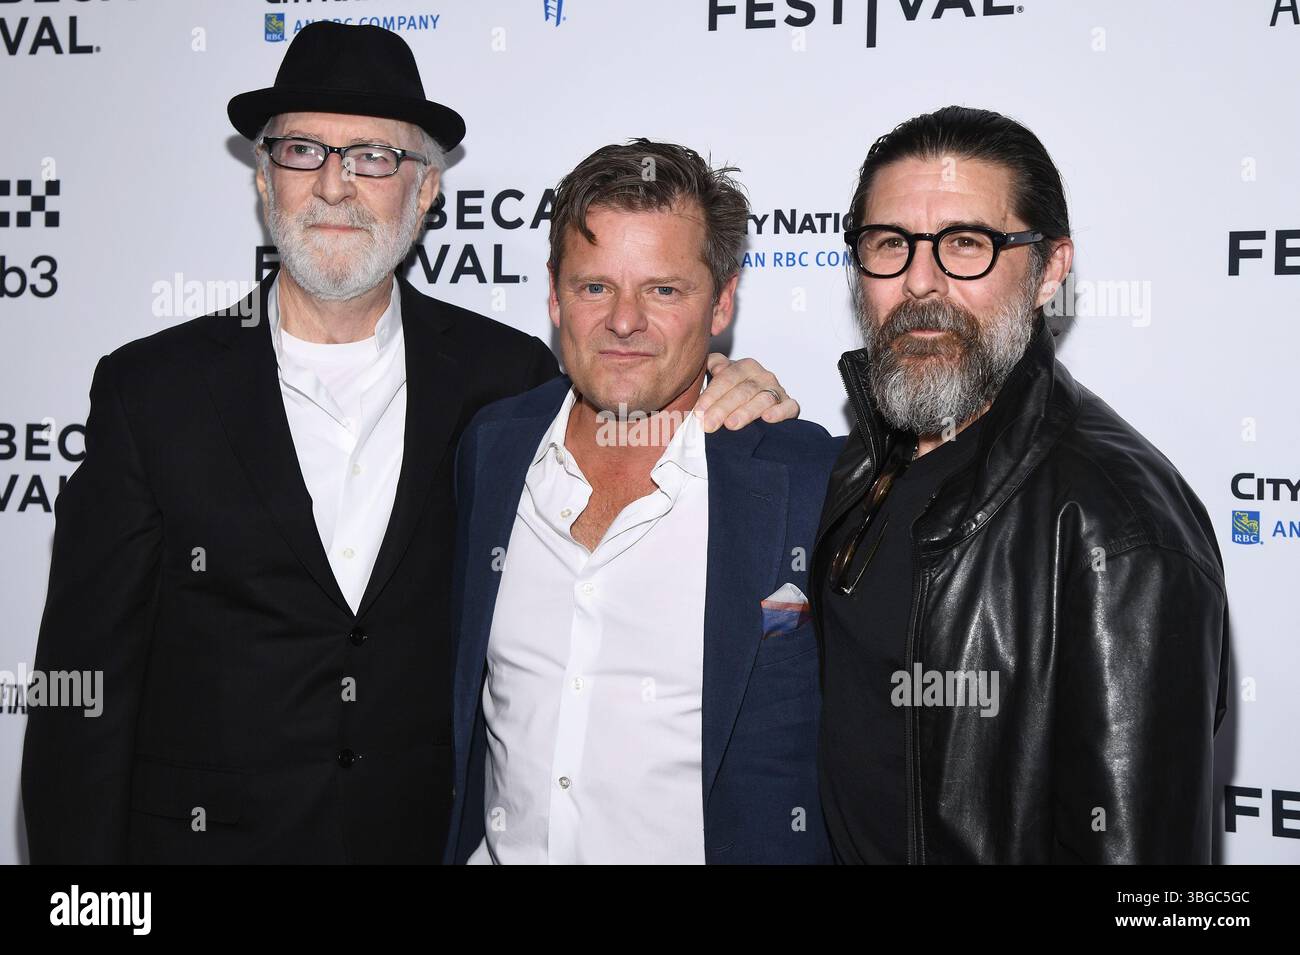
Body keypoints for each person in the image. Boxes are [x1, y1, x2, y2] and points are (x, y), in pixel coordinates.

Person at [21, 23, 795, 864]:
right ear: (263, 178)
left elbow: (641, 386)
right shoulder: (151, 390)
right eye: (303, 151)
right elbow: (81, 699)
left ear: (426, 190)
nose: (335, 185)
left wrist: (723, 383)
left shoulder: (506, 382)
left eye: (374, 157)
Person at [813, 106, 1230, 864]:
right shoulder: (858, 467)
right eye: (889, 245)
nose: (919, 281)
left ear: (1051, 269)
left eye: (966, 244)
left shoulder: (1120, 526)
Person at [445, 140, 839, 864]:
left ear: (721, 301)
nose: (624, 321)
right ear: (555, 296)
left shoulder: (807, 480)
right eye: (595, 287)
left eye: (662, 289)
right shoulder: (492, 450)